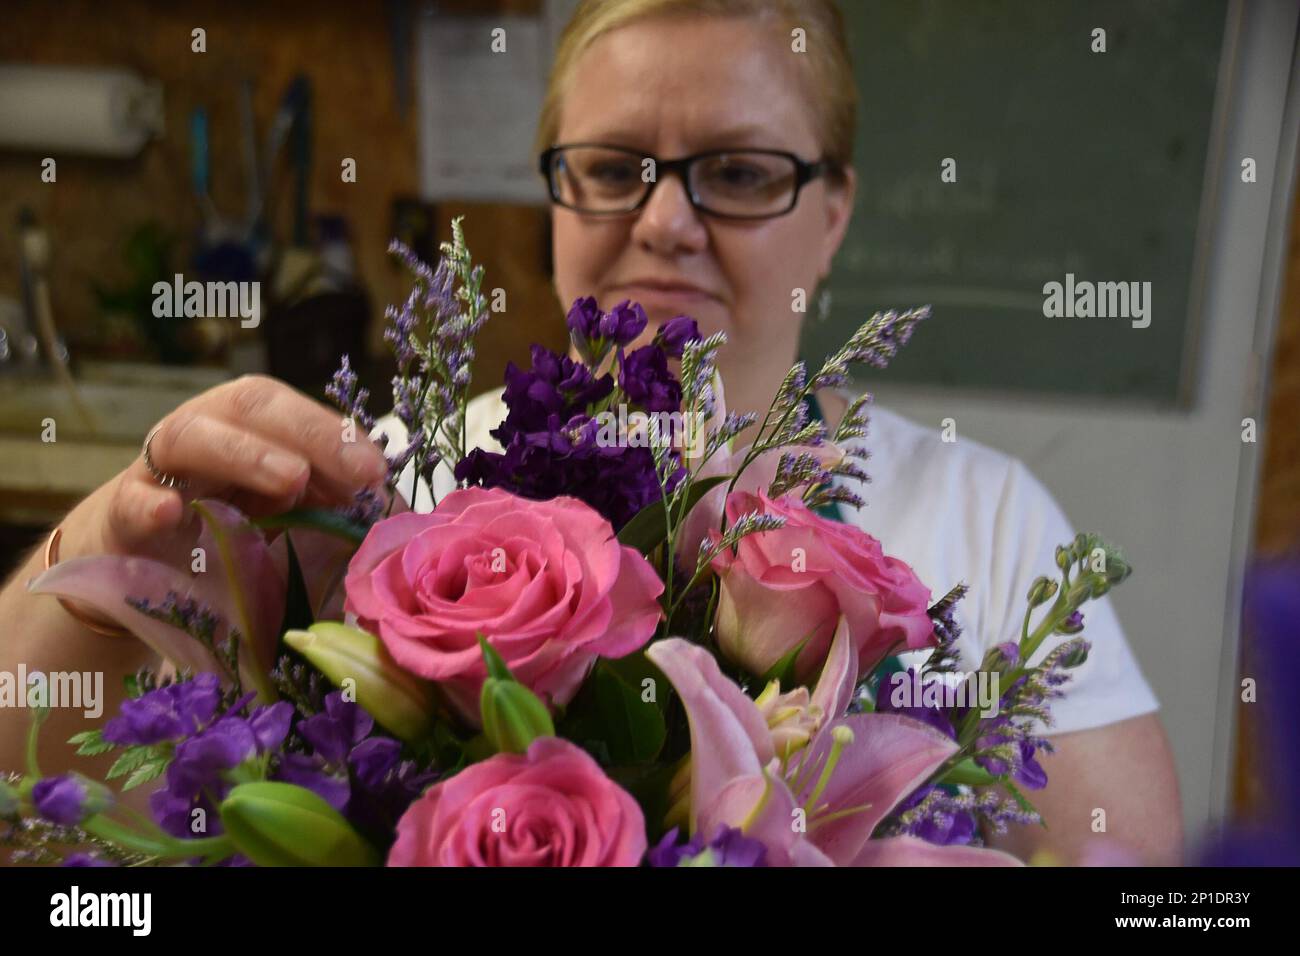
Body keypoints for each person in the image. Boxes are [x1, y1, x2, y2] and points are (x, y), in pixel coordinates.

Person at [0, 0, 1181, 864]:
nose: (665, 221)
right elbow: (29, 806)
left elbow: (1135, 873)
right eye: (614, 167)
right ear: (554, 197)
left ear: (833, 212)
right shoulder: (381, 486)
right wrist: (102, 552)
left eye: (738, 170)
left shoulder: (990, 512)